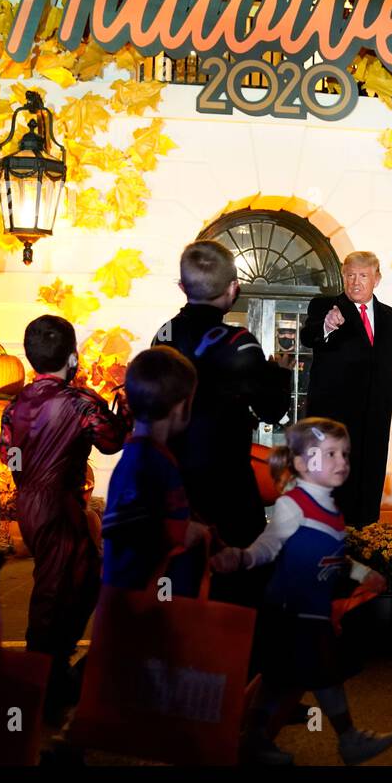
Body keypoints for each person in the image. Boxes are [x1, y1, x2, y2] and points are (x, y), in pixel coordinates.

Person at [211, 417, 392, 766]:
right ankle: (348, 739)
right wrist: (241, 557)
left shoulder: (330, 510)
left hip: (312, 609)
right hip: (292, 611)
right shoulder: (293, 505)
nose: (341, 462)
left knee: (280, 682)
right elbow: (268, 546)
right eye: (329, 454)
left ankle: (254, 740)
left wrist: (363, 573)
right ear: (300, 463)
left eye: (344, 454)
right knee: (324, 674)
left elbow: (333, 557)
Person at [0, 315, 132, 719]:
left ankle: (54, 674)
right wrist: (124, 406)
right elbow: (111, 441)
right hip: (59, 503)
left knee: (71, 579)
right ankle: (45, 683)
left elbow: (8, 453)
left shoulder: (15, 403)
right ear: (73, 356)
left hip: (29, 503)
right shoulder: (79, 402)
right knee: (61, 589)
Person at [153, 241, 290, 602]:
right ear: (234, 289)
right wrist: (279, 374)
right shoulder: (240, 343)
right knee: (236, 586)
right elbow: (271, 412)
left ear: (182, 288)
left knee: (177, 581)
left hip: (175, 480)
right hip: (228, 483)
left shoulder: (163, 337)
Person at [300, 251, 392, 527]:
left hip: (374, 421)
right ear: (343, 276)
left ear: (376, 279)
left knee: (367, 499)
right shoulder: (325, 308)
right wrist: (327, 325)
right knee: (331, 497)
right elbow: (309, 336)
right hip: (333, 426)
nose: (356, 282)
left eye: (363, 276)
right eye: (350, 275)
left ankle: (363, 553)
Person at [100, 346, 209, 596]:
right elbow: (126, 531)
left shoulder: (153, 456)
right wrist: (186, 532)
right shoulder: (143, 464)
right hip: (141, 610)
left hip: (156, 602)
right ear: (182, 407)